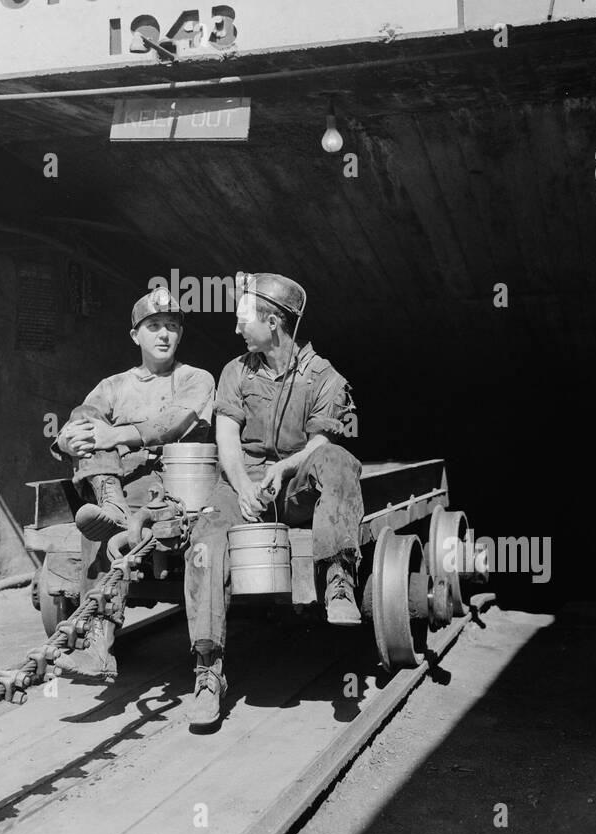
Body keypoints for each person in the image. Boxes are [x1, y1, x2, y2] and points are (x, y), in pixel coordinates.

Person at [183, 272, 363, 730]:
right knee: (204, 542)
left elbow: (319, 445)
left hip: (295, 484)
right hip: (243, 484)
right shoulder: (235, 371)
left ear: (274, 321)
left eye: (244, 317)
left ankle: (338, 578)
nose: (237, 327)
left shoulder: (324, 378)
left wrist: (282, 470)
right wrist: (242, 483)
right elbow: (226, 435)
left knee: (340, 460)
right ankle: (208, 672)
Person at [51, 285, 215, 678]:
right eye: (154, 325)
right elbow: (83, 422)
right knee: (97, 518)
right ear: (135, 335)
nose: (163, 335)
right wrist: (67, 438)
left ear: (180, 334)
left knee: (104, 514)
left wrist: (115, 435)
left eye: (171, 326)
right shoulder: (114, 386)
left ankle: (115, 512)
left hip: (178, 485)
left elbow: (172, 423)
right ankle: (97, 647)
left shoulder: (197, 379)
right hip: (123, 486)